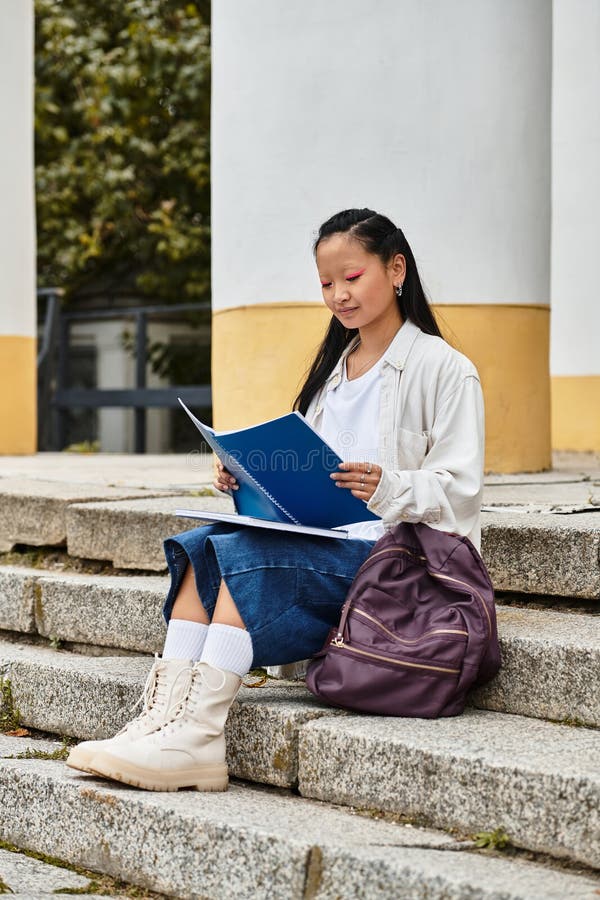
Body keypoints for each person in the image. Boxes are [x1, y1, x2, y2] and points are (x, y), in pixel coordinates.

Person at [66, 208, 485, 792]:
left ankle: (199, 737)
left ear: (396, 270)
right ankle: (160, 721)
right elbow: (307, 486)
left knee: (247, 559)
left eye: (352, 277)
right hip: (328, 547)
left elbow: (462, 491)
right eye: (326, 284)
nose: (338, 295)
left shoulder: (444, 370)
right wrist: (249, 482)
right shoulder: (331, 378)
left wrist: (388, 485)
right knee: (205, 545)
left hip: (394, 566)